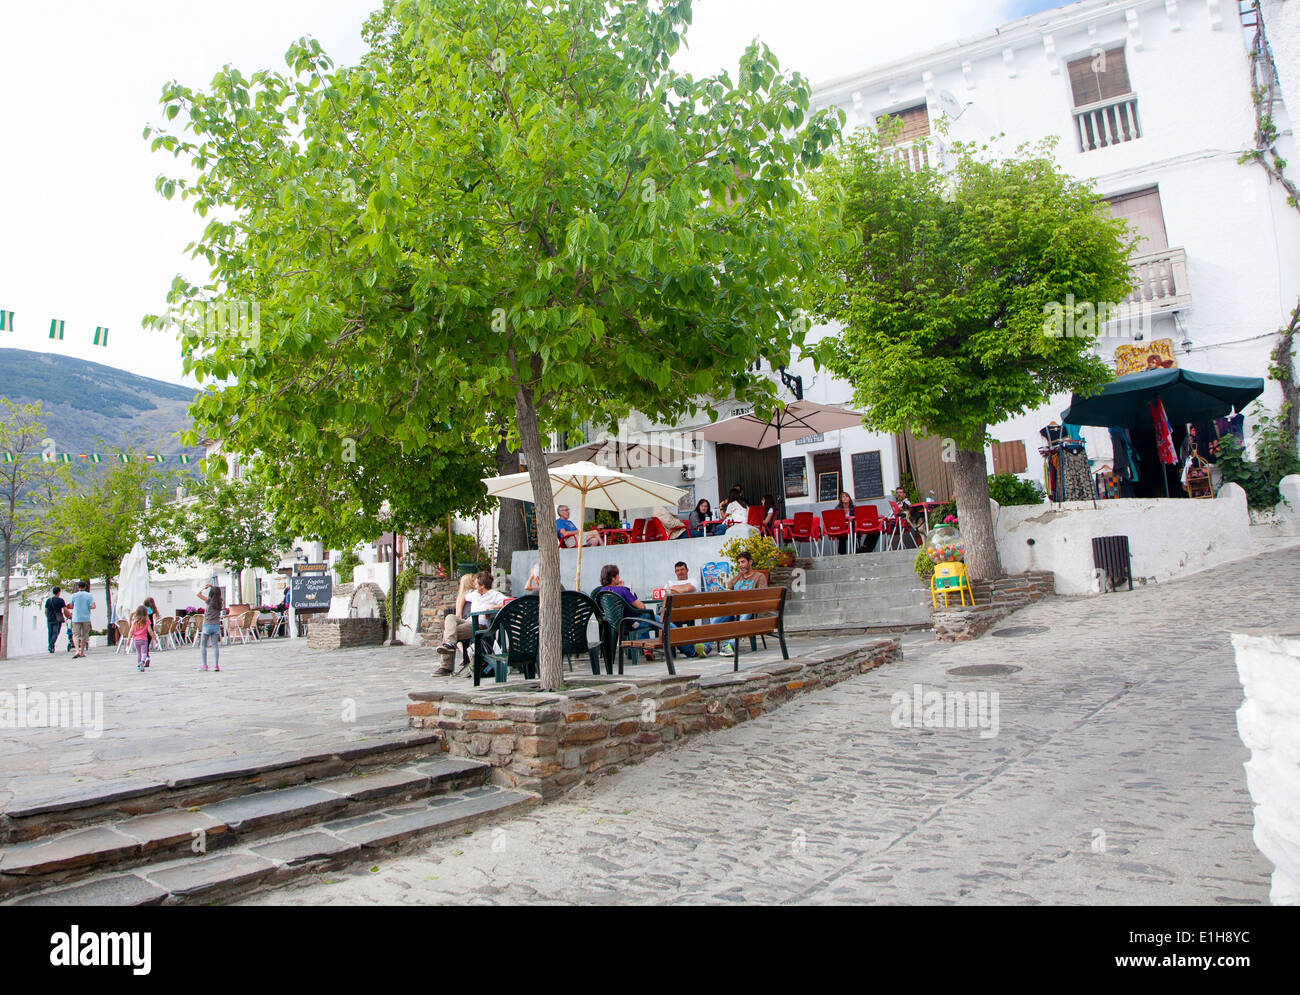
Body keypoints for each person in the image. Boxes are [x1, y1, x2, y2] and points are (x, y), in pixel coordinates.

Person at [437, 570, 506, 676]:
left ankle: (446, 667)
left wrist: (493, 607)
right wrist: (459, 609)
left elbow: (508, 601)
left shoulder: (494, 595)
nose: (474, 585)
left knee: (448, 632)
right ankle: (449, 645)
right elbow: (463, 596)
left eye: (476, 583)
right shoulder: (474, 594)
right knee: (450, 617)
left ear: (482, 586)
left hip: (479, 625)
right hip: (468, 622)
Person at [711, 551, 769, 655]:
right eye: (739, 563)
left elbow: (762, 595)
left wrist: (742, 601)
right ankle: (706, 647)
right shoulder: (738, 577)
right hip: (733, 609)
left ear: (750, 562)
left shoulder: (759, 577)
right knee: (716, 620)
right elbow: (728, 589)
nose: (741, 565)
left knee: (744, 615)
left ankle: (730, 645)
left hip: (749, 610)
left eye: (743, 562)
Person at [596, 563, 658, 658]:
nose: (619, 577)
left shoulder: (601, 592)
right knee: (662, 621)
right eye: (618, 576)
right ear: (613, 578)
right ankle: (689, 649)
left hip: (614, 624)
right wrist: (624, 590)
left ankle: (647, 650)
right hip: (631, 623)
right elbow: (642, 607)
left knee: (643, 620)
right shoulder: (623, 590)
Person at [664, 561, 705, 658]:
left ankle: (684, 647)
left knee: (671, 614)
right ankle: (684, 647)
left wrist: (674, 589)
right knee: (670, 612)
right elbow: (666, 593)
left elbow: (689, 589)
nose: (680, 572)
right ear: (675, 572)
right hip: (674, 612)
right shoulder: (670, 582)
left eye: (682, 569)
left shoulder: (693, 580)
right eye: (677, 570)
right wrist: (683, 588)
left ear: (687, 570)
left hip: (688, 612)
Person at [196, 581, 224, 672]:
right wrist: (212, 586)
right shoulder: (220, 602)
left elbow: (198, 594)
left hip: (207, 625)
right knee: (215, 646)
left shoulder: (209, 601)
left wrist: (205, 588)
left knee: (203, 645)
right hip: (216, 625)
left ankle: (204, 665)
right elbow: (217, 591)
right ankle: (216, 665)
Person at [69, 580, 96, 659]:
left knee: (76, 635)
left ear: (78, 587)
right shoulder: (89, 595)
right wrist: (88, 607)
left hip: (76, 617)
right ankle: (82, 652)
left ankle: (77, 650)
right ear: (85, 587)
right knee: (84, 635)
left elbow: (71, 605)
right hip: (86, 617)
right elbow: (93, 606)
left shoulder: (74, 595)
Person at [43, 586, 67, 654]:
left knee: (50, 633)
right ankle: (51, 646)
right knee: (55, 633)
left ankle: (51, 646)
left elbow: (46, 611)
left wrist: (48, 616)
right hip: (57, 619)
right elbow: (65, 609)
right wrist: (68, 615)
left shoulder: (48, 600)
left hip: (49, 618)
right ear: (59, 592)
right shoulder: (61, 600)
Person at [129, 606, 151, 673]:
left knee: (139, 653)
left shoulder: (135, 622)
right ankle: (142, 661)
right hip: (144, 640)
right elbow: (150, 631)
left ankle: (138, 666)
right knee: (144, 653)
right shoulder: (147, 622)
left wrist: (128, 640)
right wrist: (154, 638)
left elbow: (131, 631)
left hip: (136, 640)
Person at [143, 596, 161, 663]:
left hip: (144, 627)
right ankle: (147, 656)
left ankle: (146, 656)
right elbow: (155, 618)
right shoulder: (153, 610)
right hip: (151, 627)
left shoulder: (144, 609)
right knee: (147, 643)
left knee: (144, 644)